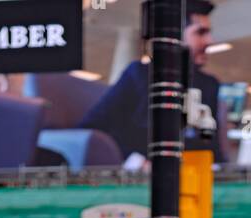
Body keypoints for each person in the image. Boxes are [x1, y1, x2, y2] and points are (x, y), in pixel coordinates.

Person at [80, 0, 228, 165]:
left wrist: (224, 170)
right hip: (142, 179)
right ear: (174, 35)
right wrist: (136, 162)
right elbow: (92, 127)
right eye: (200, 32)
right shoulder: (139, 75)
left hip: (192, 175)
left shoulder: (209, 84)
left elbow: (210, 144)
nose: (210, 40)